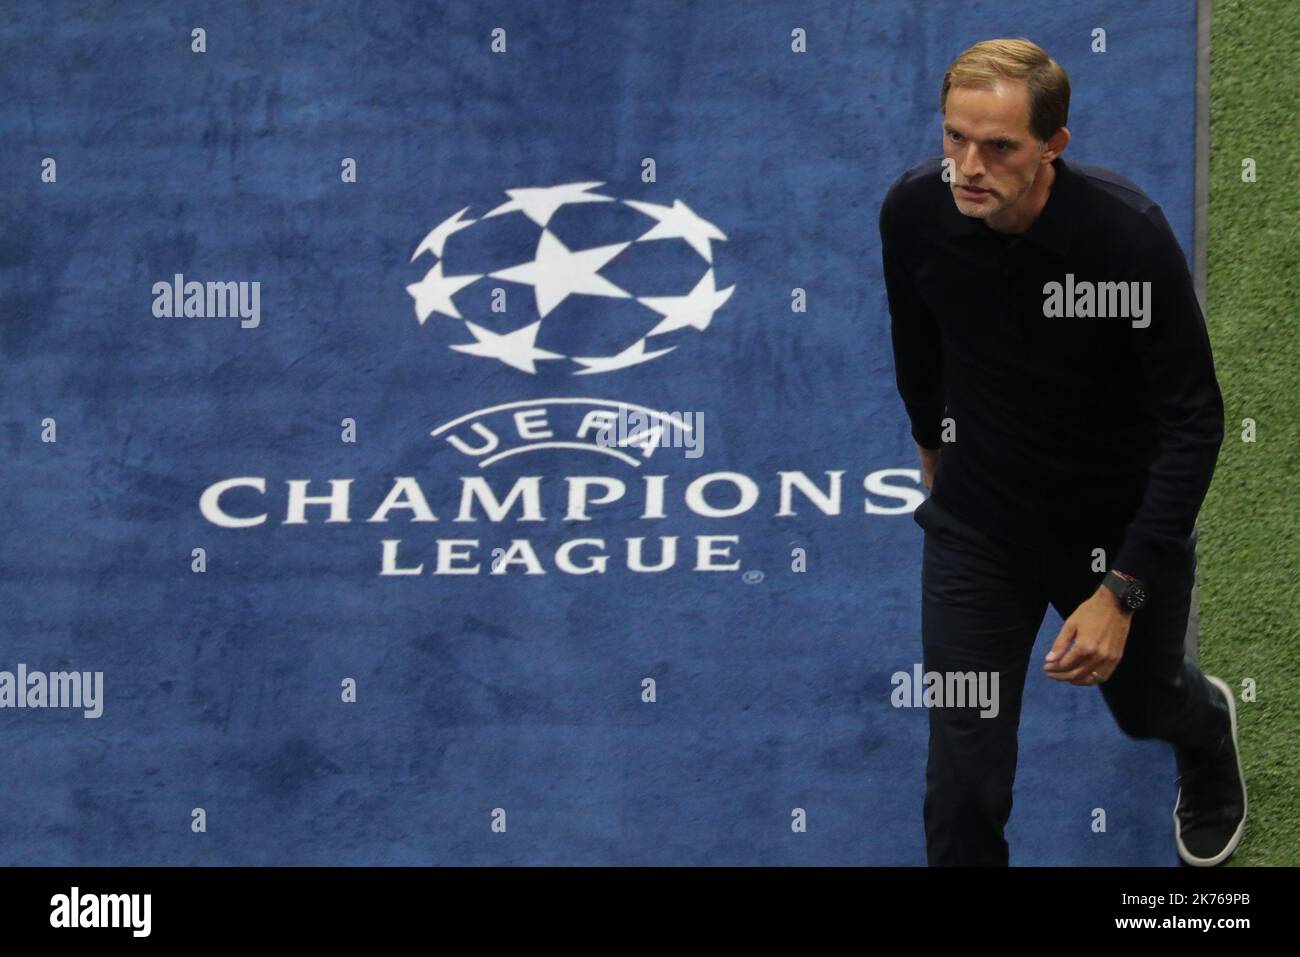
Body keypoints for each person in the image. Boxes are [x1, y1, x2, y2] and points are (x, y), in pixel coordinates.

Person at [879, 37, 1246, 866]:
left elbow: (1195, 420)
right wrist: (935, 458)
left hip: (1115, 532)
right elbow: (918, 344)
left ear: (1053, 146)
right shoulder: (915, 212)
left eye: (999, 146)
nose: (969, 167)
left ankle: (1206, 731)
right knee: (962, 789)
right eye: (954, 138)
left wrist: (1120, 590)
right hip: (977, 530)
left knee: (1146, 709)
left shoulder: (1129, 241)